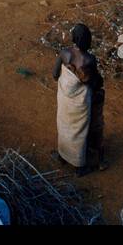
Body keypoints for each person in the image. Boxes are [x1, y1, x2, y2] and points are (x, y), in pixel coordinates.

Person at [53, 23, 105, 174]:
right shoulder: (89, 60)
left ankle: (62, 156)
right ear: (89, 41)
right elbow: (95, 82)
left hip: (64, 99)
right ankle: (79, 167)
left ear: (73, 38)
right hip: (79, 104)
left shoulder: (65, 53)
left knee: (64, 126)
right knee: (79, 131)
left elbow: (55, 75)